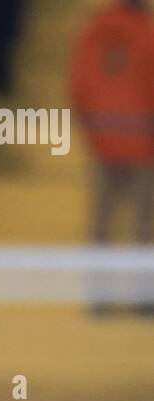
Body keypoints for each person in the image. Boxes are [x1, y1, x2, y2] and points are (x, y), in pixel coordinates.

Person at [70, 0, 154, 248]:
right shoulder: (147, 33)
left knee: (101, 222)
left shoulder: (96, 28)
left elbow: (80, 81)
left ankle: (95, 282)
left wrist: (87, 120)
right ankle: (145, 285)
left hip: (102, 137)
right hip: (142, 139)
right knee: (143, 226)